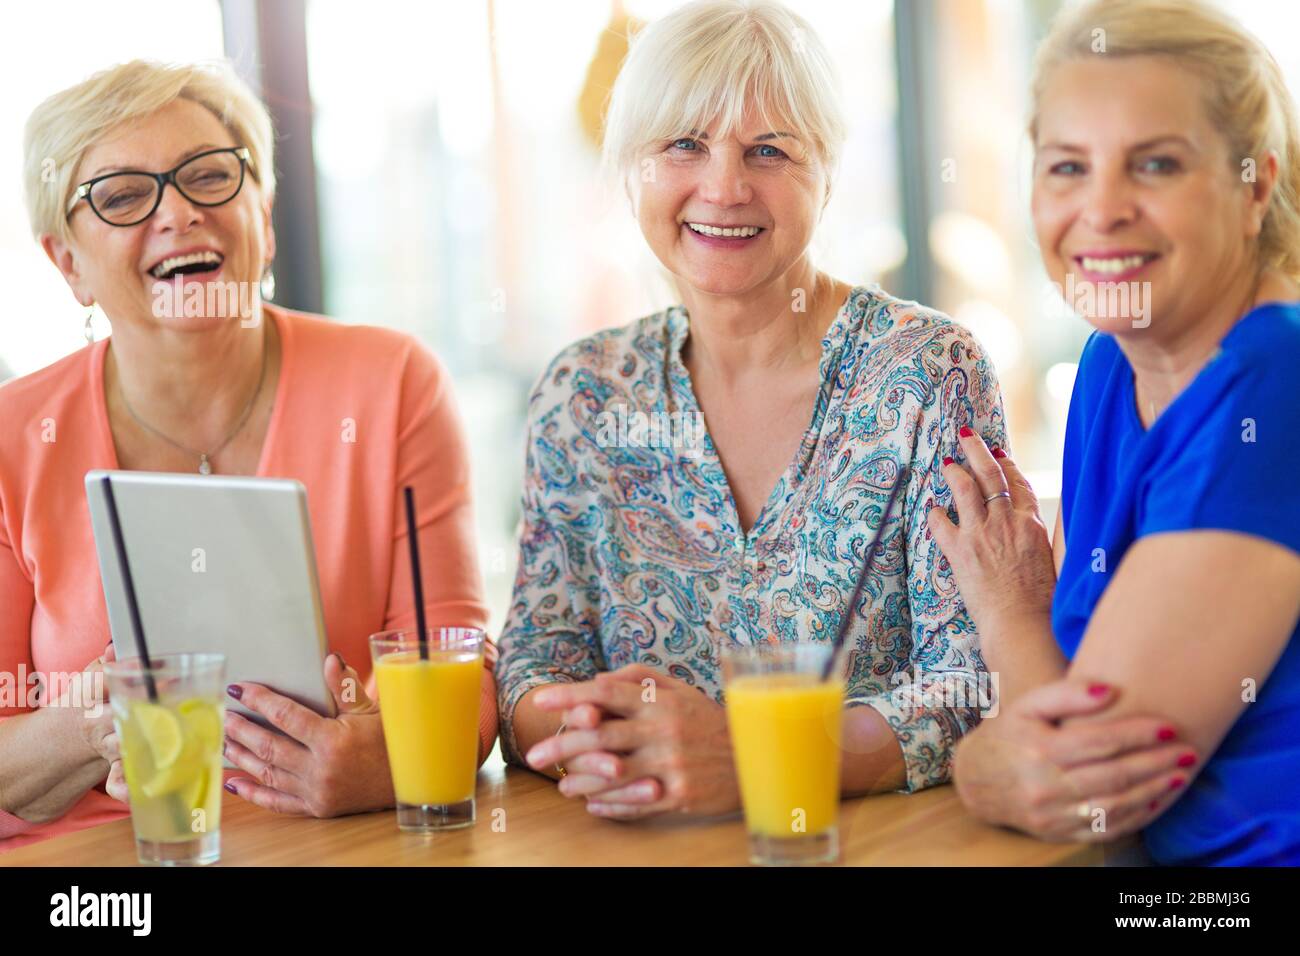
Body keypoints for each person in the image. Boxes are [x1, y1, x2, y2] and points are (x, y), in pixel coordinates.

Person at [496, 0, 1009, 820]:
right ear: (633, 168)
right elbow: (527, 670)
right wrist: (600, 736)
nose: (725, 186)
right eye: (683, 145)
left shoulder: (924, 373)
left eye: (768, 150)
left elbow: (969, 686)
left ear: (829, 174)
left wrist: (755, 761)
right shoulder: (583, 391)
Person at [0, 60, 496, 851]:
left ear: (262, 213)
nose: (179, 213)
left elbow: (459, 674)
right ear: (68, 263)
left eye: (209, 176)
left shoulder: (394, 383)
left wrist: (386, 760)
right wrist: (87, 728)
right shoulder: (10, 440)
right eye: (124, 195)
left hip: (336, 848)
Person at [935, 0, 1300, 865]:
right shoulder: (1111, 366)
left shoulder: (1273, 386)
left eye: (1156, 165)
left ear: (1254, 186)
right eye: (1067, 167)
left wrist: (1008, 611)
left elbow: (1083, 790)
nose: (1101, 210)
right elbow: (1064, 721)